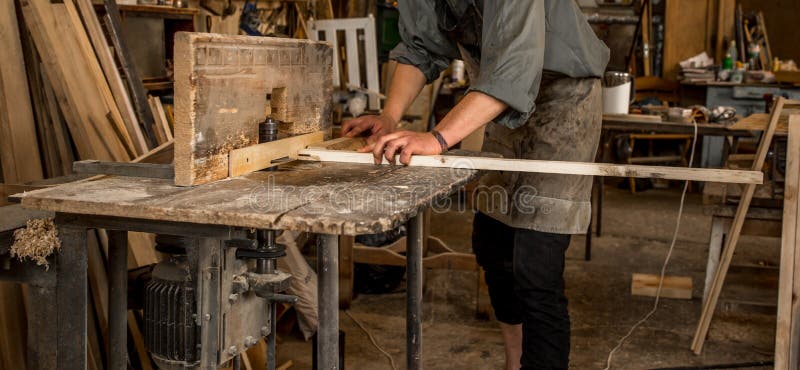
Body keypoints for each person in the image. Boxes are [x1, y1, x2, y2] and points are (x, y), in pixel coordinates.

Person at [341, 1, 609, 369]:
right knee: (494, 247)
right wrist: (390, 116)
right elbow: (419, 47)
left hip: (562, 101)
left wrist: (436, 138)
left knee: (535, 264)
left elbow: (513, 68)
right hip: (503, 105)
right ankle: (515, 363)